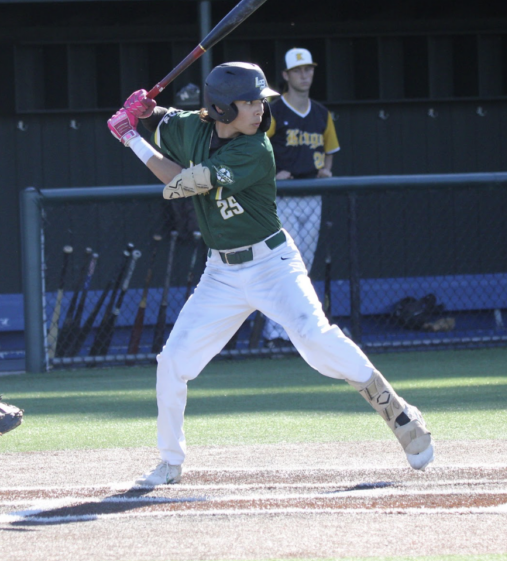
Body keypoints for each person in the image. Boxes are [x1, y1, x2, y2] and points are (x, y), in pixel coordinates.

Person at [107, 62, 433, 486]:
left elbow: (181, 181)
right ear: (223, 108)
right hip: (220, 273)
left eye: (261, 101)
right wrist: (145, 110)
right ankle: (170, 461)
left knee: (316, 340)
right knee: (172, 362)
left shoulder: (255, 149)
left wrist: (130, 137)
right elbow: (168, 119)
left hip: (272, 265)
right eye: (250, 102)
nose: (260, 109)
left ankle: (400, 416)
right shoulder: (192, 128)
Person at [261, 47, 340, 345]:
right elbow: (256, 147)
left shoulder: (321, 113)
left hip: (312, 195)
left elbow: (329, 151)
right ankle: (275, 333)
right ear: (285, 75)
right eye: (297, 70)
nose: (304, 75)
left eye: (308, 69)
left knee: (302, 267)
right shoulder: (274, 110)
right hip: (282, 198)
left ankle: (296, 332)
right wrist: (271, 173)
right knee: (282, 265)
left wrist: (326, 170)